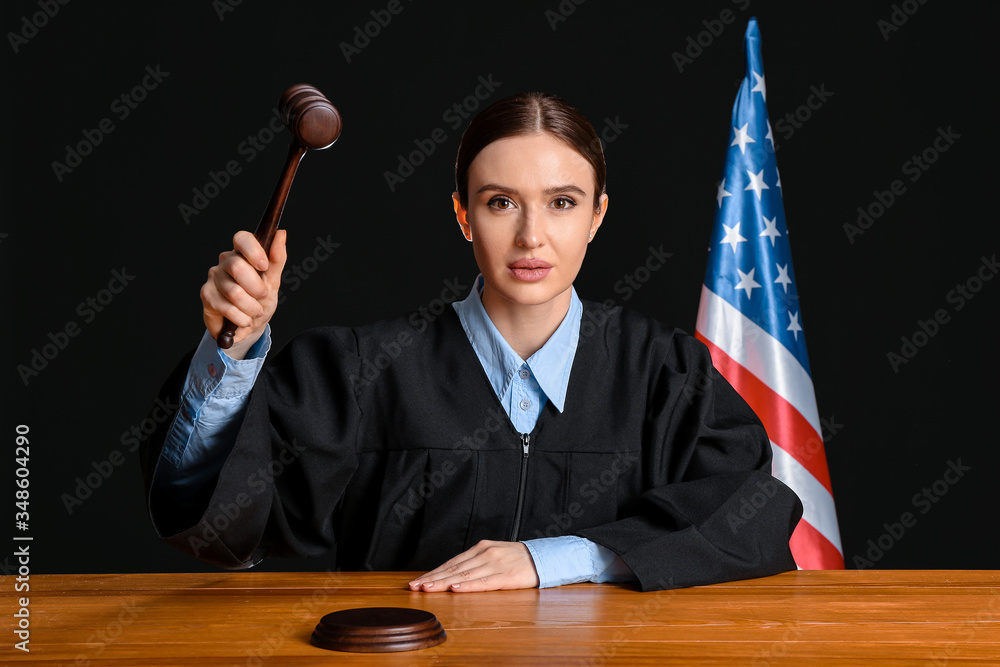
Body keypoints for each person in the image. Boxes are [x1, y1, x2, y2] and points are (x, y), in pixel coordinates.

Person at [141, 92, 801, 593]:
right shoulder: (361, 371)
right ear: (462, 214)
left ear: (597, 216)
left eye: (562, 202)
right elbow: (222, 526)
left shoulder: (664, 372)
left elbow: (751, 515)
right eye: (500, 202)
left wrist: (554, 558)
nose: (531, 236)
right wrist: (233, 350)